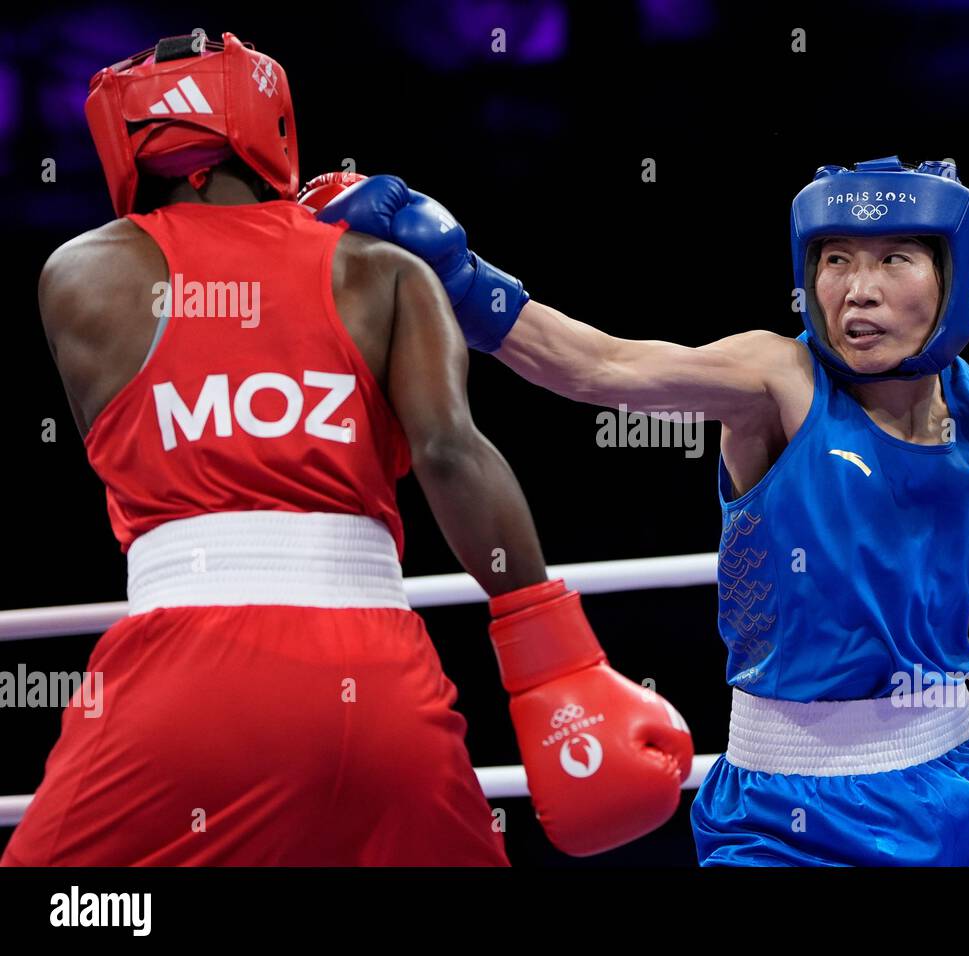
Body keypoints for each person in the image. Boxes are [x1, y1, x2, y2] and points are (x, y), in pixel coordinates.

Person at [306, 156, 969, 866]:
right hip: (788, 816)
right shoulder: (779, 383)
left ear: (951, 276)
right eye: (836, 259)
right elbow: (597, 364)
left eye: (893, 260)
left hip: (963, 793)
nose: (859, 290)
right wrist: (460, 278)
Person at [1, 30, 692, 867]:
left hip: (181, 683)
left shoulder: (80, 276)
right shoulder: (383, 271)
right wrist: (559, 671)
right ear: (269, 122)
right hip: (375, 681)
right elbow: (450, 453)